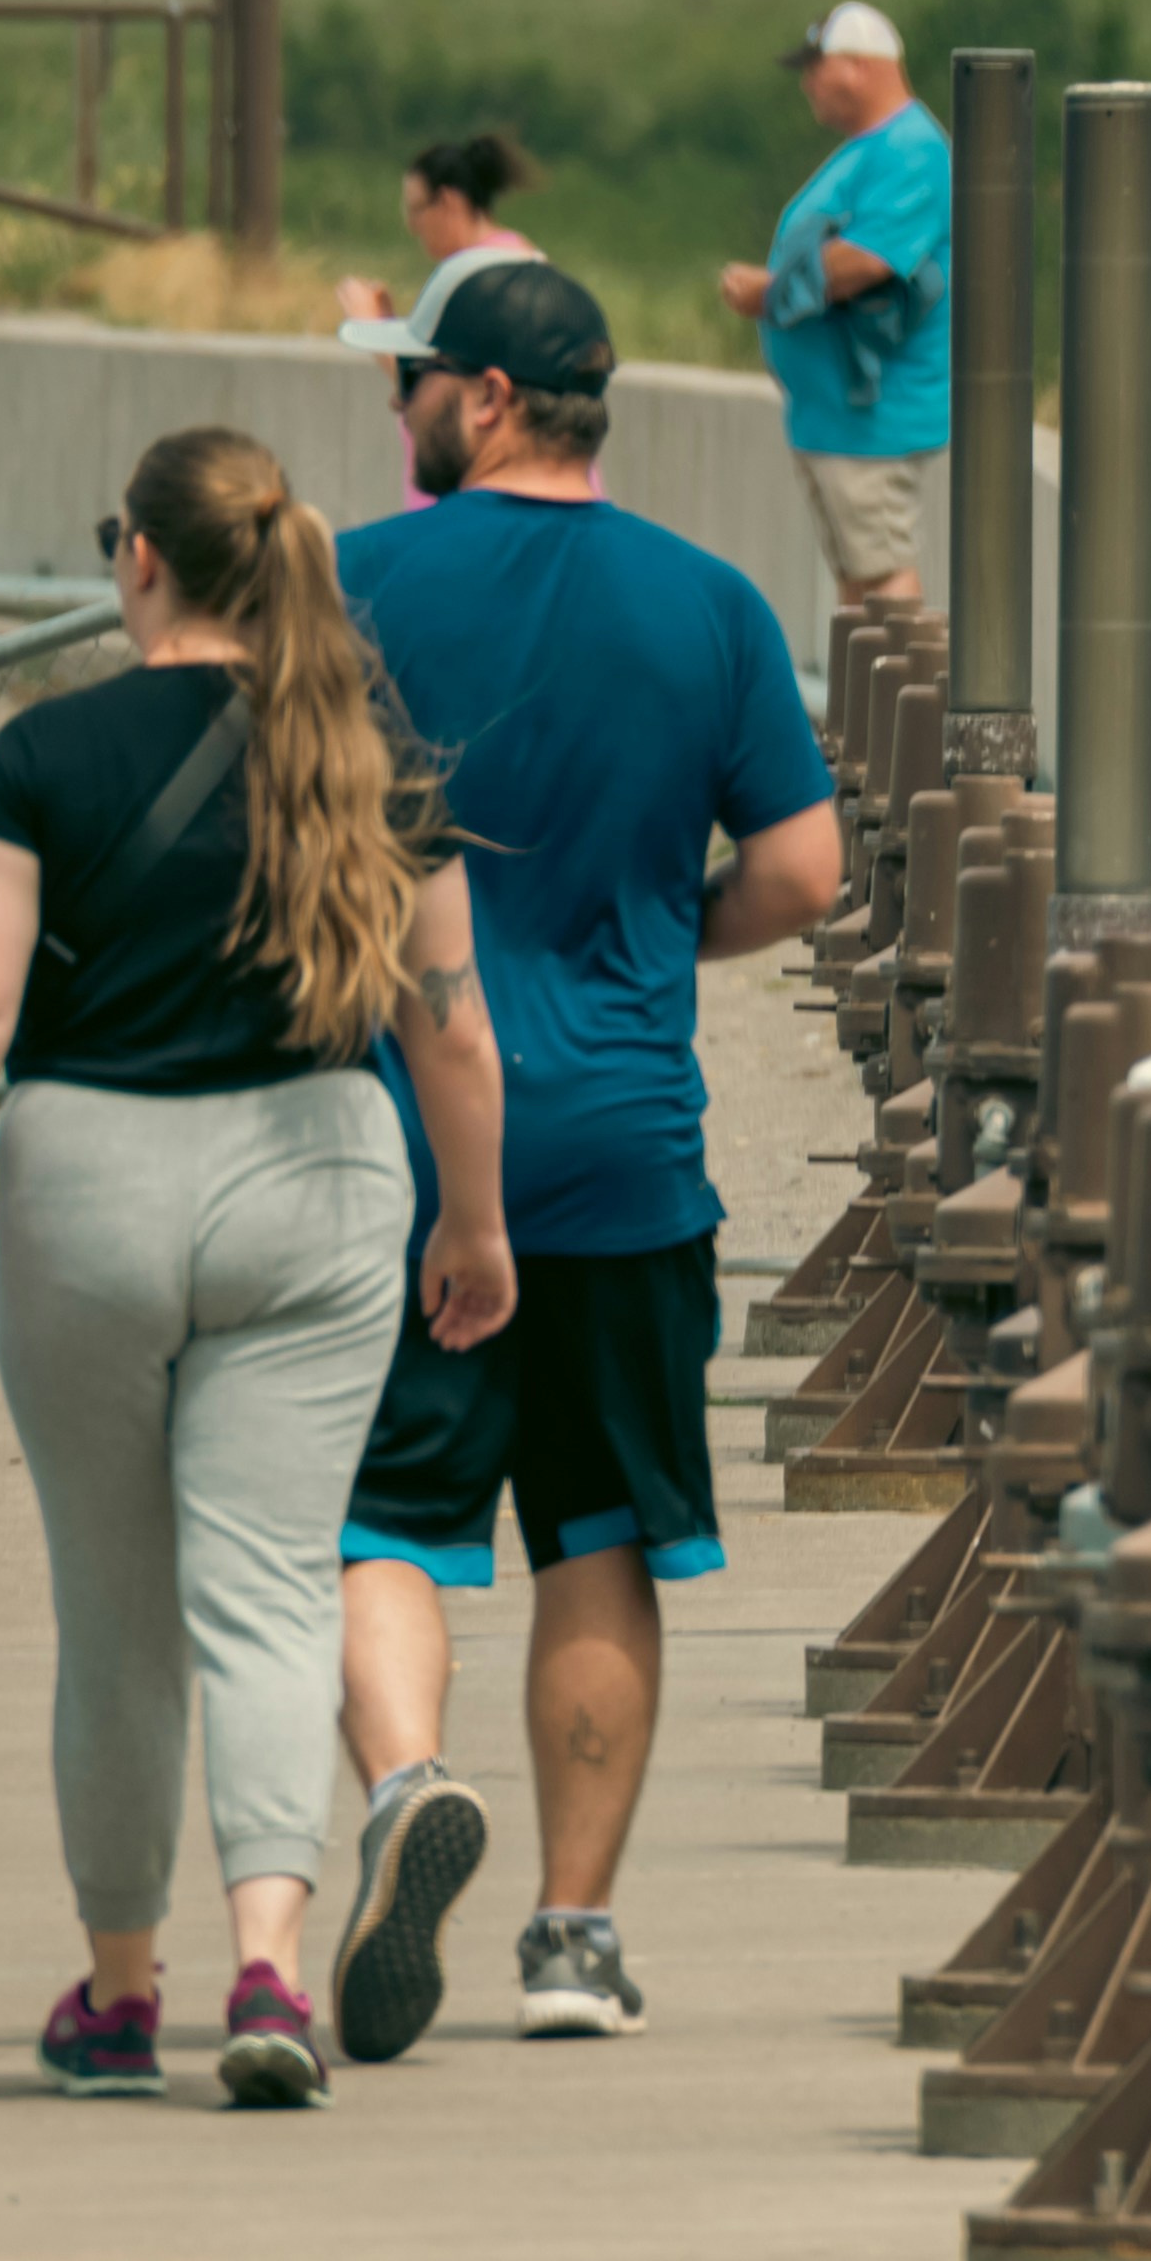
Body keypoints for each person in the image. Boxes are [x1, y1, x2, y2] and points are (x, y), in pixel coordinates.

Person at [0, 426, 518, 2111]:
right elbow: (448, 1024)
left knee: (114, 1611)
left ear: (139, 560)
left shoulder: (41, 754)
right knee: (274, 1585)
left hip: (88, 1185)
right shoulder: (371, 756)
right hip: (313, 1179)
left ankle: (118, 1987)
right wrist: (476, 1219)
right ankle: (270, 1971)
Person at [312, 255, 847, 2062]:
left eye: (409, 390)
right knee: (598, 1538)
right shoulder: (710, 604)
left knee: (381, 1514)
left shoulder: (354, 584)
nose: (396, 421)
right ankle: (572, 1933)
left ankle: (400, 1792)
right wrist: (648, 937)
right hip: (623, 1146)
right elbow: (804, 871)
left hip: (389, 1145)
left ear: (481, 399)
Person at [716, 1, 948, 611]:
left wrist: (770, 292)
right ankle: (858, 703)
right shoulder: (871, 148)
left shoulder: (912, 149)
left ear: (860, 68)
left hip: (873, 413)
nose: (807, 82)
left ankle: (900, 702)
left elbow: (869, 260)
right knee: (860, 575)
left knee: (883, 576)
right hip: (838, 412)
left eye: (816, 66)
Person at [339, 136, 545, 332]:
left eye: (417, 210)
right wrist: (387, 322)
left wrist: (367, 324)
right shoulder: (524, 255)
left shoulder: (470, 276)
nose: (412, 227)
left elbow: (432, 369)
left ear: (448, 201)